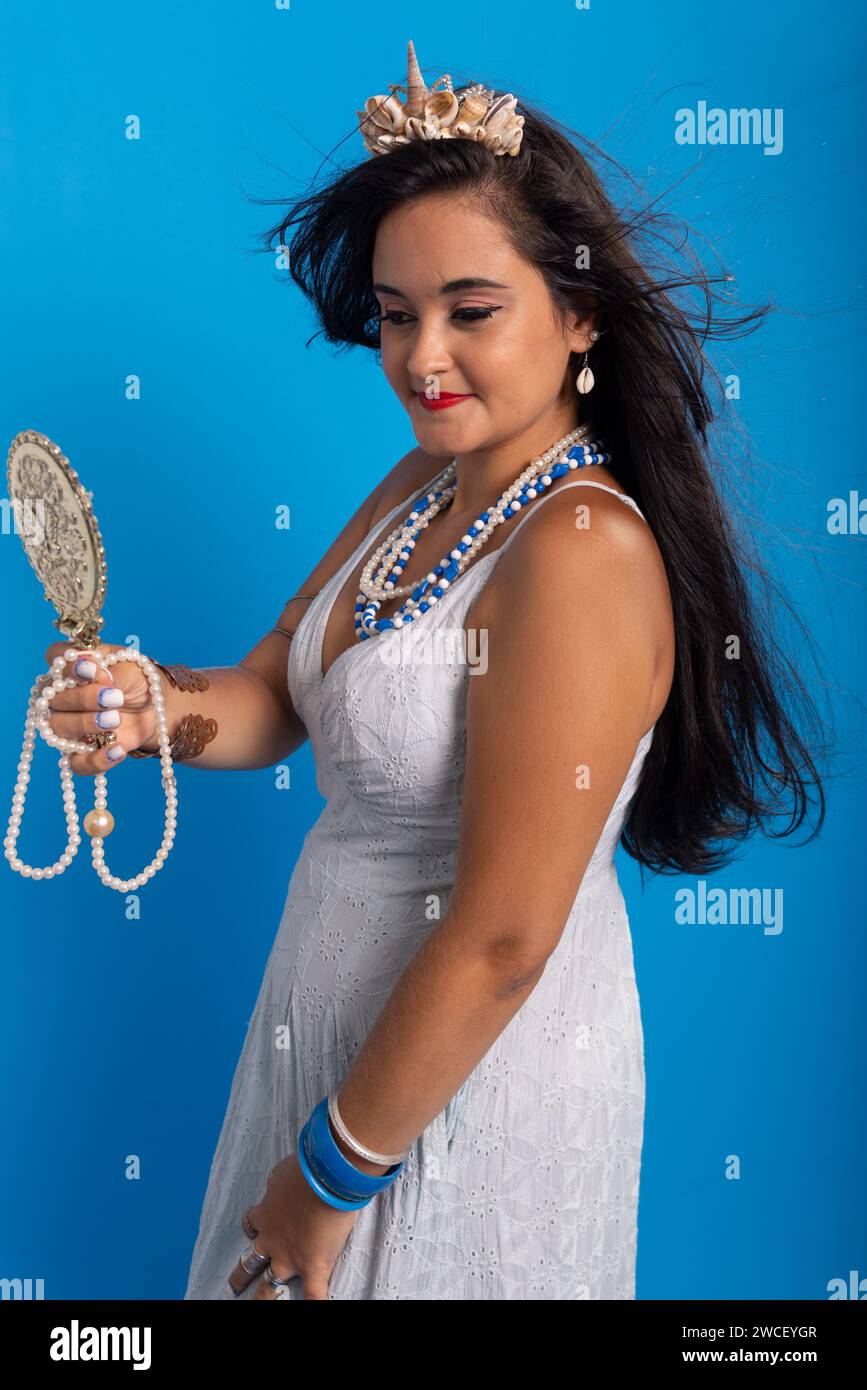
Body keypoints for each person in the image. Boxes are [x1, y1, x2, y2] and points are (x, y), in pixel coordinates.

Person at [43, 40, 825, 1300]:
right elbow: (272, 698)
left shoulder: (580, 548)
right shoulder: (426, 487)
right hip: (327, 1032)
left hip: (454, 1093)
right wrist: (146, 707)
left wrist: (330, 1176)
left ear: (578, 314)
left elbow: (508, 933)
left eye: (472, 310)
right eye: (398, 316)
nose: (422, 358)